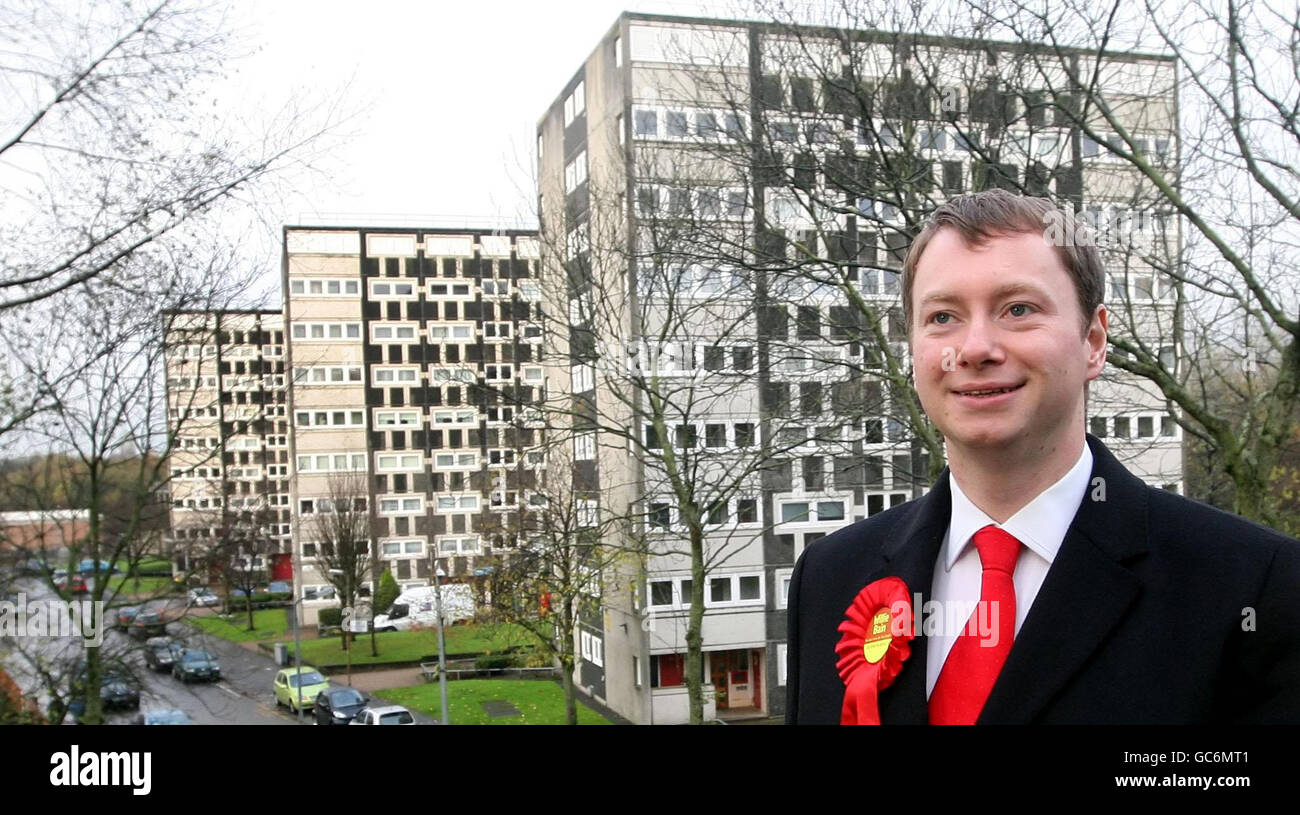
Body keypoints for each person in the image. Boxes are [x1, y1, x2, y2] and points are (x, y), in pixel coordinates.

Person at [785, 190, 1300, 724]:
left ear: (1093, 341)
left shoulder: (1254, 584)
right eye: (943, 316)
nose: (975, 347)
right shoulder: (829, 578)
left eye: (1018, 309)